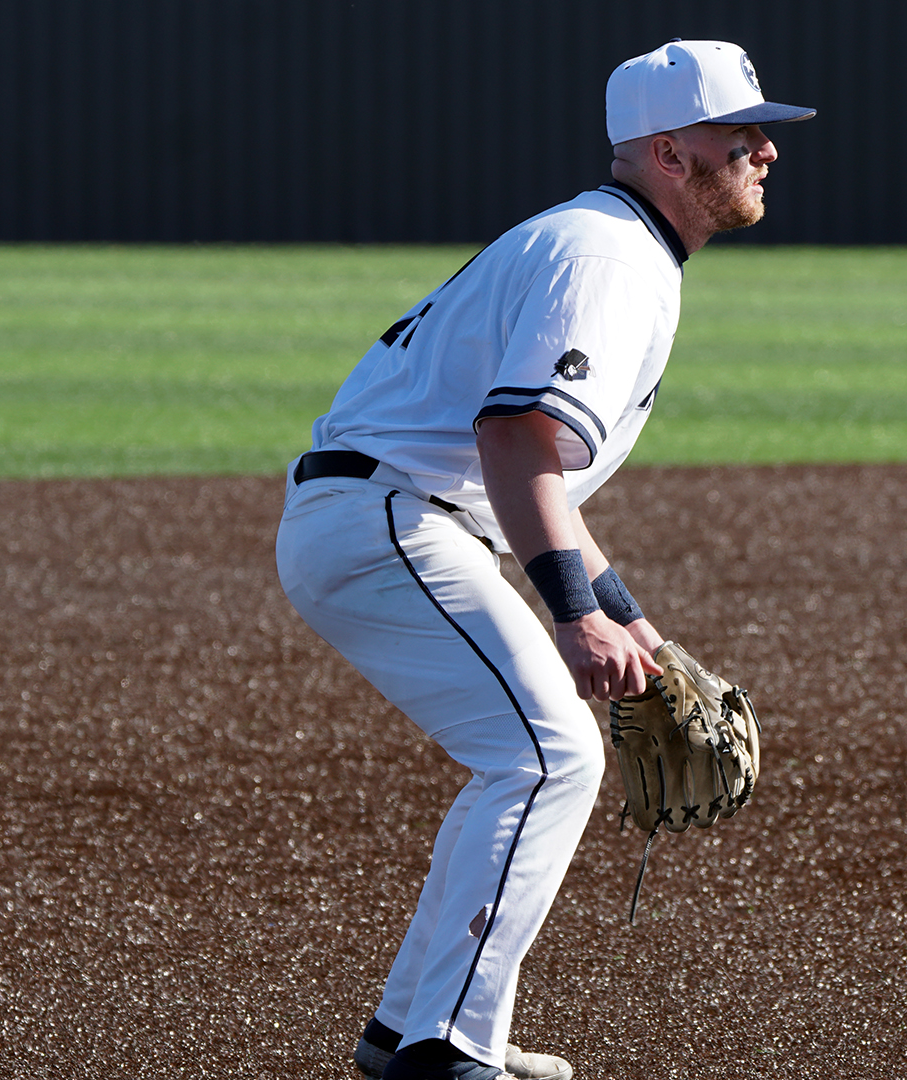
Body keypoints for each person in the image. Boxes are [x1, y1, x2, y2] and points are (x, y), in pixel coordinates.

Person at [275, 39, 814, 1080]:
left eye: (763, 133)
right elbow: (514, 436)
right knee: (547, 755)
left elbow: (541, 483)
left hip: (392, 518)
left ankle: (412, 1027)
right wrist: (574, 615)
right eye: (740, 133)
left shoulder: (614, 242)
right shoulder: (609, 257)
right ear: (669, 153)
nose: (765, 150)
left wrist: (636, 627)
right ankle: (444, 1047)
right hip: (390, 519)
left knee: (530, 753)